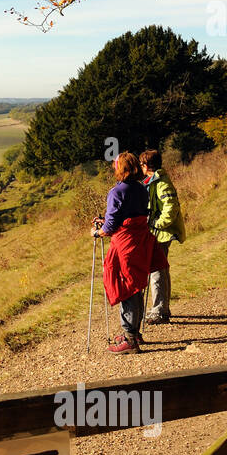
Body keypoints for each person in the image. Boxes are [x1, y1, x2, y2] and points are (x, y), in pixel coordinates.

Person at [91, 151, 168, 353]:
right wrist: (106, 222)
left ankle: (130, 338)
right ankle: (134, 333)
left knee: (127, 287)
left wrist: (98, 231)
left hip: (125, 244)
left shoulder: (116, 192)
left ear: (120, 168)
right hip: (141, 240)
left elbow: (110, 226)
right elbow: (132, 215)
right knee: (137, 285)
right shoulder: (142, 188)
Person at [139, 148, 185, 325]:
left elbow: (171, 207)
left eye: (141, 164)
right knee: (162, 270)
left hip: (162, 234)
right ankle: (162, 309)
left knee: (156, 271)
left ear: (146, 165)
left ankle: (158, 310)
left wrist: (157, 224)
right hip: (160, 233)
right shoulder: (154, 180)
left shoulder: (161, 182)